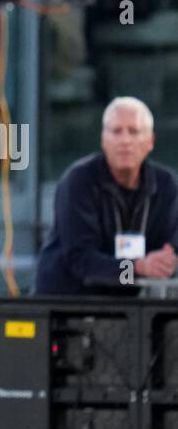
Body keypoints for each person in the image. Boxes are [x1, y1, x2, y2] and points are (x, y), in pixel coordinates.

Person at [35, 97, 178, 296]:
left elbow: (171, 248)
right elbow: (81, 262)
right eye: (116, 131)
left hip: (130, 306)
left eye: (134, 131)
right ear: (103, 139)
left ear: (150, 141)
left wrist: (167, 260)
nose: (125, 140)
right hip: (68, 302)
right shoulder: (79, 180)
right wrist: (136, 268)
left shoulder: (166, 185)